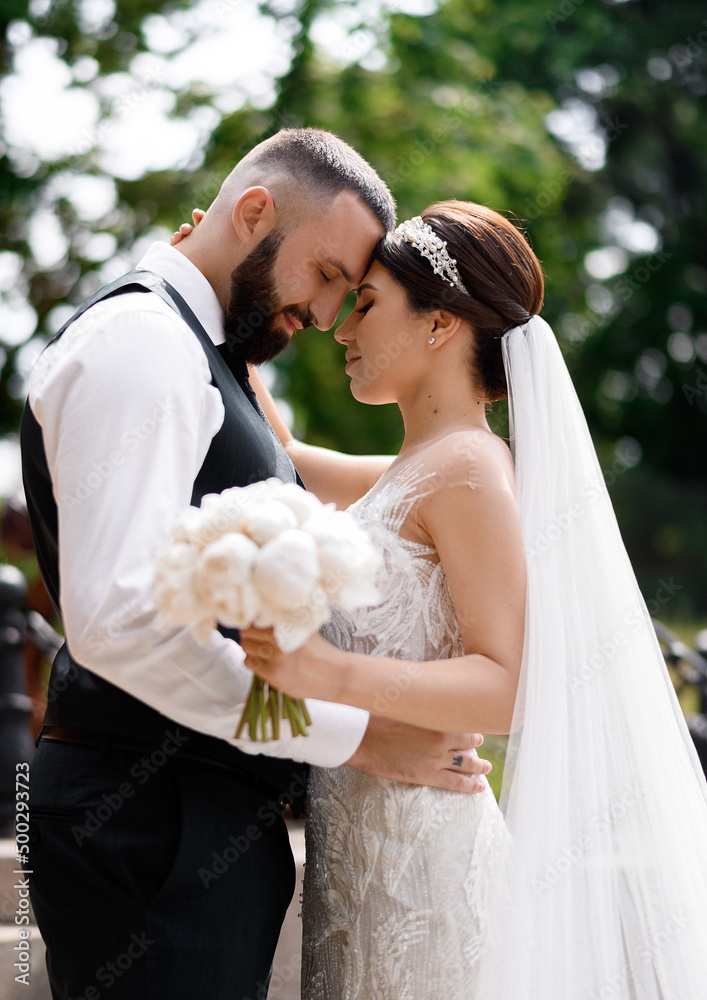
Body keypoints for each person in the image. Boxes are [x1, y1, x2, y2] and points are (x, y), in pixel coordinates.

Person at [19, 130, 491, 1000]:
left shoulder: (202, 349)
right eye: (323, 278)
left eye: (349, 294)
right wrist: (356, 736)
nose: (323, 316)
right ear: (252, 213)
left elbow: (333, 470)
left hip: (186, 823)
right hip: (145, 824)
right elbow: (121, 620)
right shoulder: (145, 345)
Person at [233, 201, 707, 998]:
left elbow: (509, 685)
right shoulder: (412, 469)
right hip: (359, 858)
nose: (343, 330)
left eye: (368, 302)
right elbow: (278, 457)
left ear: (439, 324)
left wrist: (319, 671)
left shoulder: (469, 470)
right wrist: (227, 286)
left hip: (424, 871)